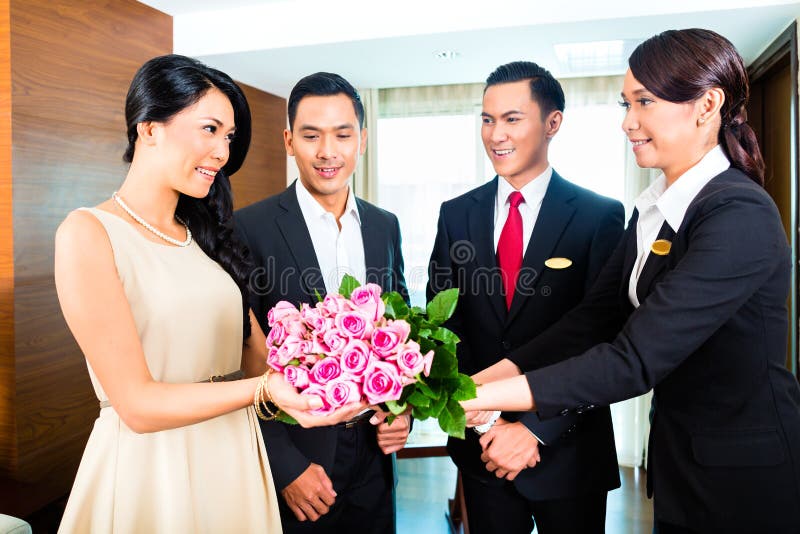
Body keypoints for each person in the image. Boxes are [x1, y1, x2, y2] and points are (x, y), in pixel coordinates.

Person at [461, 29, 800, 533]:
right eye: (626, 103)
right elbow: (594, 320)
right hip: (682, 461)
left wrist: (482, 399)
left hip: (743, 477)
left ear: (707, 104)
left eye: (644, 103)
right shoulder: (655, 210)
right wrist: (492, 374)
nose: (628, 122)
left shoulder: (738, 213)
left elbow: (634, 359)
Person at [54, 55, 364, 533]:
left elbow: (262, 362)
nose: (221, 152)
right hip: (155, 467)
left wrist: (347, 371)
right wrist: (264, 389)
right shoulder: (89, 232)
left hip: (236, 456)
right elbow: (136, 404)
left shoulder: (206, 236)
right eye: (210, 129)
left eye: (229, 137)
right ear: (149, 127)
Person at [427, 61, 623, 533]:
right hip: (483, 453)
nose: (496, 134)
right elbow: (440, 330)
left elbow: (602, 337)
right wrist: (487, 426)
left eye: (512, 118)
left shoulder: (600, 216)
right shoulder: (455, 215)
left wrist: (536, 429)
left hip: (569, 448)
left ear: (552, 123)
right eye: (487, 119)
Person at [234, 72, 410, 533]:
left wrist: (400, 409)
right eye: (311, 135)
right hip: (299, 460)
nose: (327, 151)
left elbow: (398, 332)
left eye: (342, 134)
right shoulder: (248, 228)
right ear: (290, 141)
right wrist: (284, 464)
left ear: (363, 140)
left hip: (374, 457)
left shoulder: (384, 226)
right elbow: (239, 359)